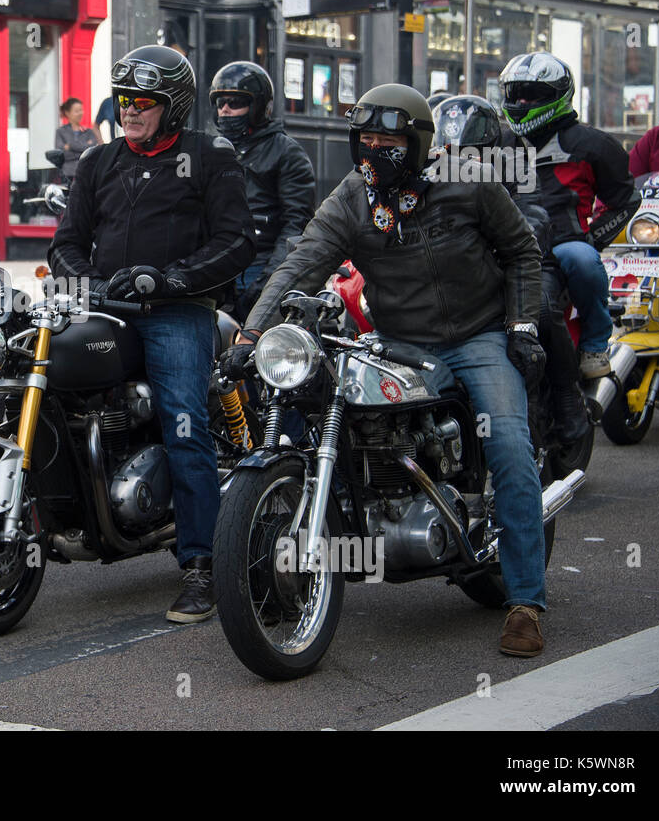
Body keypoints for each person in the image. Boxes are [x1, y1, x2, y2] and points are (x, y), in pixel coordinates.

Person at [223, 83, 549, 657]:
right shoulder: (352, 198)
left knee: (510, 443)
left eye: (388, 139)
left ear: (419, 140)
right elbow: (301, 261)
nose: (374, 148)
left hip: (478, 335)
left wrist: (521, 326)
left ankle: (524, 600)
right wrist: (250, 335)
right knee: (330, 405)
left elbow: (522, 251)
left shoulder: (469, 179)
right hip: (398, 340)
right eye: (366, 137)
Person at [48, 44, 255, 624]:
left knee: (183, 422)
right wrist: (81, 279)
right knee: (50, 380)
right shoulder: (97, 161)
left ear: (175, 105)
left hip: (176, 310)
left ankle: (201, 567)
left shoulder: (210, 155)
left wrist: (171, 279)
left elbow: (238, 242)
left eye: (144, 101)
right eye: (123, 100)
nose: (130, 110)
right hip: (104, 306)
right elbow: (66, 241)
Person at [432, 94, 589, 444]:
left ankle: (567, 397)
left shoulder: (513, 154)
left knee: (543, 309)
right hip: (460, 268)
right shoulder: (431, 163)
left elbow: (534, 210)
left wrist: (498, 240)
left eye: (469, 152)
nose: (460, 159)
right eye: (452, 151)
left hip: (522, 259)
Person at [500, 52, 640, 379]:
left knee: (582, 258)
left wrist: (593, 238)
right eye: (515, 93)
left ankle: (595, 342)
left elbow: (626, 200)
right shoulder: (499, 142)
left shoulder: (594, 144)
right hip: (505, 241)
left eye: (531, 94)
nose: (521, 101)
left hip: (563, 243)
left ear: (557, 96)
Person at [209, 61, 316, 323]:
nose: (225, 109)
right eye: (220, 102)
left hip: (260, 264)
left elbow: (296, 224)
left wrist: (269, 280)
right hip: (217, 267)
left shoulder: (287, 152)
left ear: (257, 106)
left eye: (234, 102)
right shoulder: (213, 150)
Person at [54, 97, 101, 185]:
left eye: (81, 110)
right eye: (76, 111)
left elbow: (92, 152)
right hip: (67, 175)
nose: (80, 113)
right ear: (68, 113)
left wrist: (70, 146)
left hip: (87, 174)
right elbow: (62, 154)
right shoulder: (60, 132)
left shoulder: (89, 132)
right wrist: (84, 148)